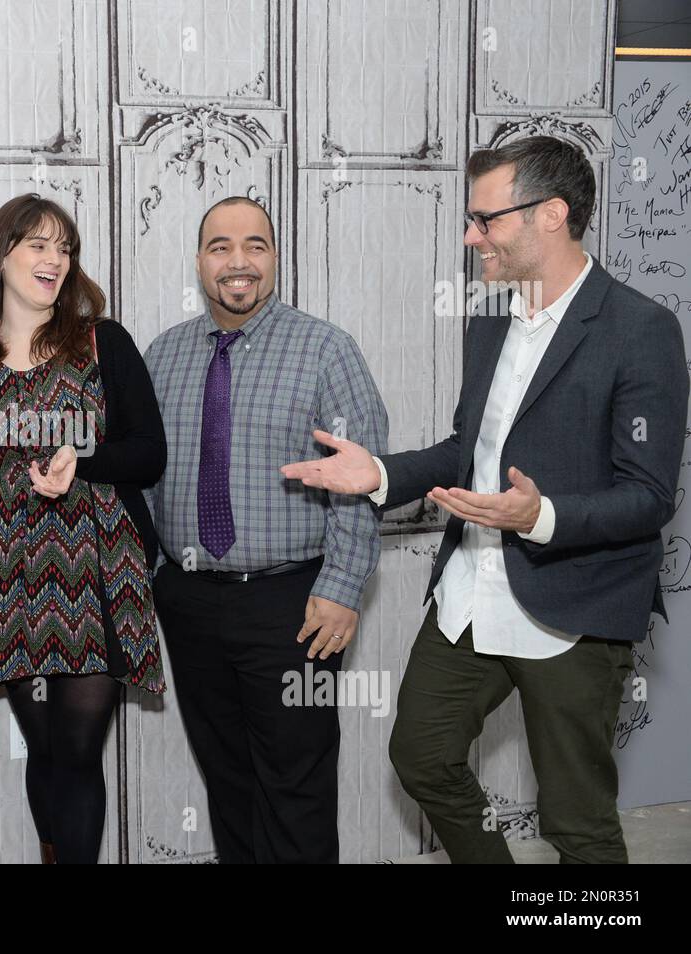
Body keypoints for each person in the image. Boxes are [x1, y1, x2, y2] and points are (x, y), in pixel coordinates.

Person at [282, 136, 688, 863]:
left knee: (577, 824)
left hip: (575, 607)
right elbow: (468, 450)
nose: (471, 237)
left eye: (486, 220)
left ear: (552, 214)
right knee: (422, 757)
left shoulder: (641, 330)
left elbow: (649, 496)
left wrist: (543, 516)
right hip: (469, 593)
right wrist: (376, 473)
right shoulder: (490, 320)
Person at [144, 196, 388, 864]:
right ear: (200, 261)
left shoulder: (326, 350)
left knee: (295, 786)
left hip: (292, 605)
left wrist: (341, 586)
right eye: (220, 246)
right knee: (228, 782)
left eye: (255, 245)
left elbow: (361, 479)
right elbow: (141, 477)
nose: (238, 262)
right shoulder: (162, 356)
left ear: (275, 258)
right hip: (190, 602)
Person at [0, 194, 167, 864]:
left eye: (64, 248)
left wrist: (84, 457)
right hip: (5, 580)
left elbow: (150, 453)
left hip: (101, 575)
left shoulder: (103, 342)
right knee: (48, 747)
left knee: (82, 748)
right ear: (2, 254)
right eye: (38, 244)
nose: (54, 259)